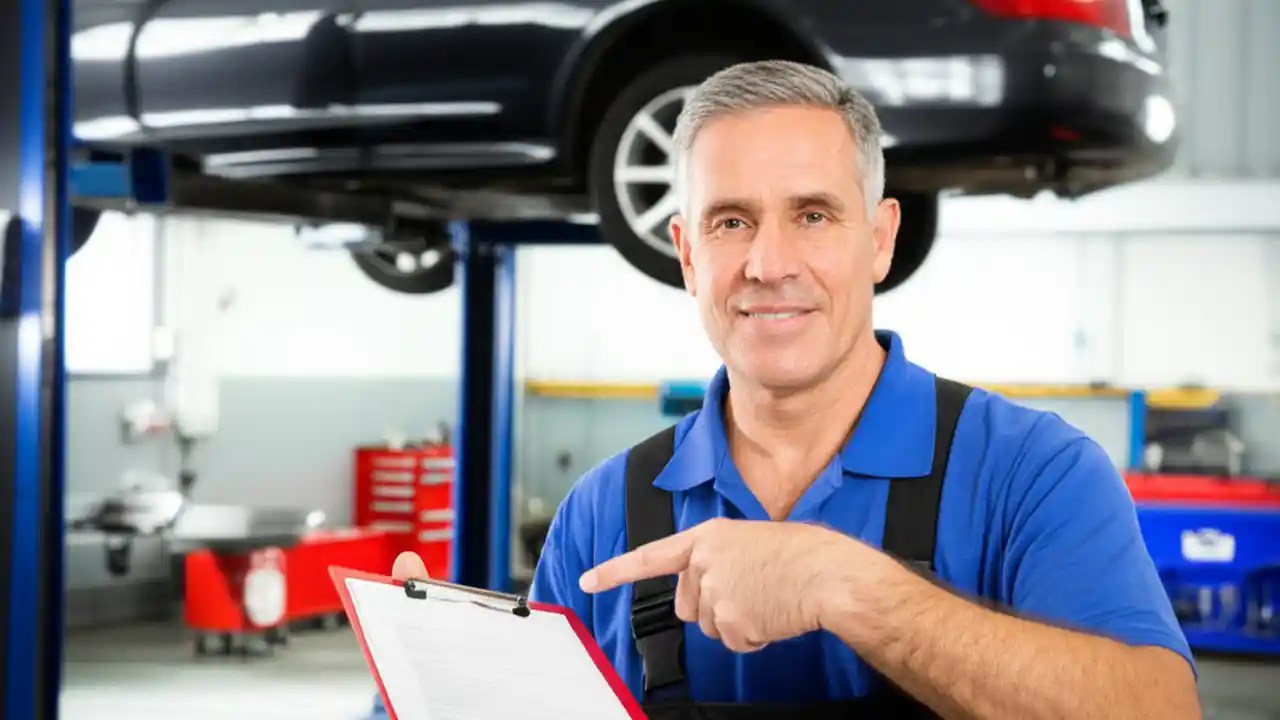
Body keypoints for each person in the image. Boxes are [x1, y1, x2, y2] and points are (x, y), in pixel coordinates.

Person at [394, 60, 1200, 719]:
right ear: (685, 252)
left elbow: (1159, 710)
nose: (769, 263)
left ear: (880, 239)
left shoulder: (1032, 474)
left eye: (812, 215)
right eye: (731, 221)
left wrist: (846, 587)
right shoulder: (605, 517)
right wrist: (445, 677)